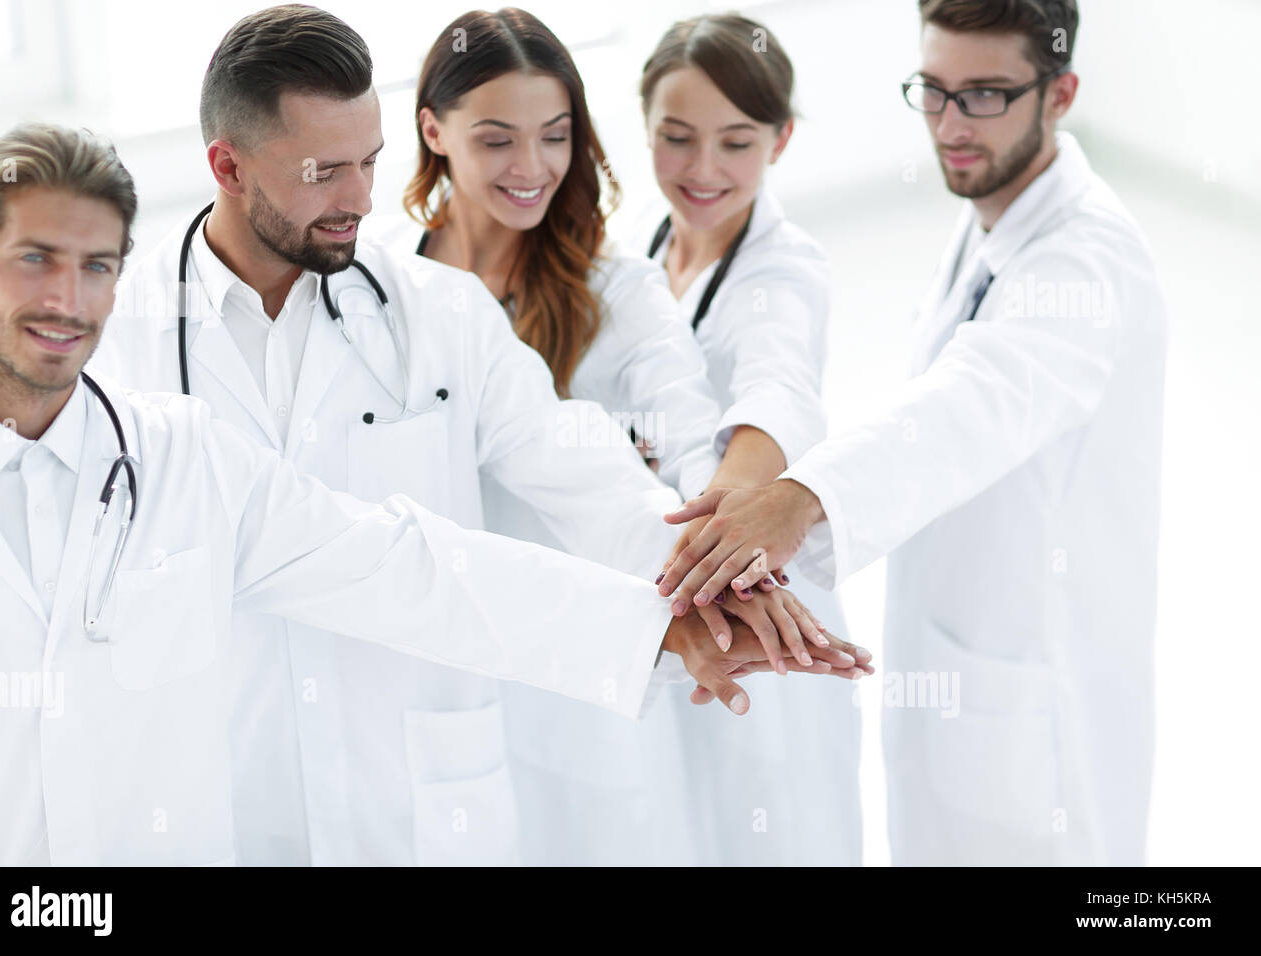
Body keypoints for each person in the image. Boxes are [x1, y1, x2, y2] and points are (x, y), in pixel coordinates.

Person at [88, 4, 863, 866]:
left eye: (371, 164)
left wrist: (713, 586)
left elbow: (588, 475)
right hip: (229, 787)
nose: (358, 199)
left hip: (417, 788)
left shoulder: (438, 312)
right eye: (324, 172)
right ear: (226, 166)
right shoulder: (119, 334)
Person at [660, 0, 1168, 866]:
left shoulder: (1087, 259)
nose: (949, 124)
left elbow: (973, 401)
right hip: (967, 664)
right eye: (933, 90)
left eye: (985, 95)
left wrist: (800, 498)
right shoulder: (996, 221)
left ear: (1062, 91)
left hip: (1038, 707)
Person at [372, 7, 871, 866]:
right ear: (432, 129)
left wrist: (730, 547)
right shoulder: (380, 283)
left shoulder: (619, 289)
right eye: (496, 140)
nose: (532, 169)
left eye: (555, 135)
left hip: (591, 678)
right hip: (437, 655)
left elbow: (690, 425)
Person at [622, 12, 863, 866]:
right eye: (676, 138)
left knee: (774, 822)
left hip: (757, 593)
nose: (703, 170)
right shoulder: (641, 251)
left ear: (782, 137)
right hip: (690, 596)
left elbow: (777, 389)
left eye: (736, 141)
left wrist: (729, 523)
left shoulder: (783, 269)